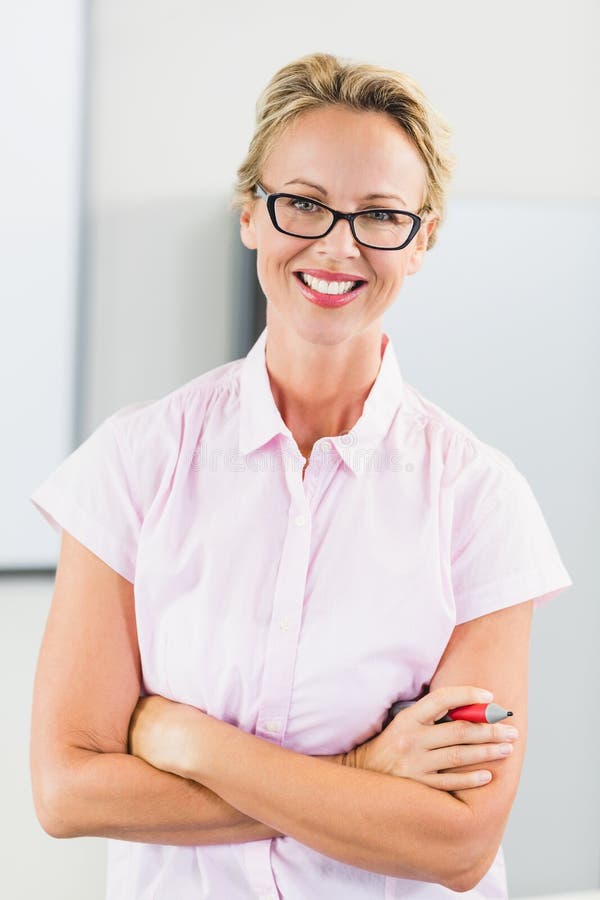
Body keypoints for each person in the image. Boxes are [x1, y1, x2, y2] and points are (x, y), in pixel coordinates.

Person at [29, 52, 573, 899]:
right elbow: (68, 789)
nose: (337, 244)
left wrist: (189, 741)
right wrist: (361, 771)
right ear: (251, 213)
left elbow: (459, 840)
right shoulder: (135, 463)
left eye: (380, 215)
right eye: (304, 204)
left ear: (423, 240)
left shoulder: (478, 497)